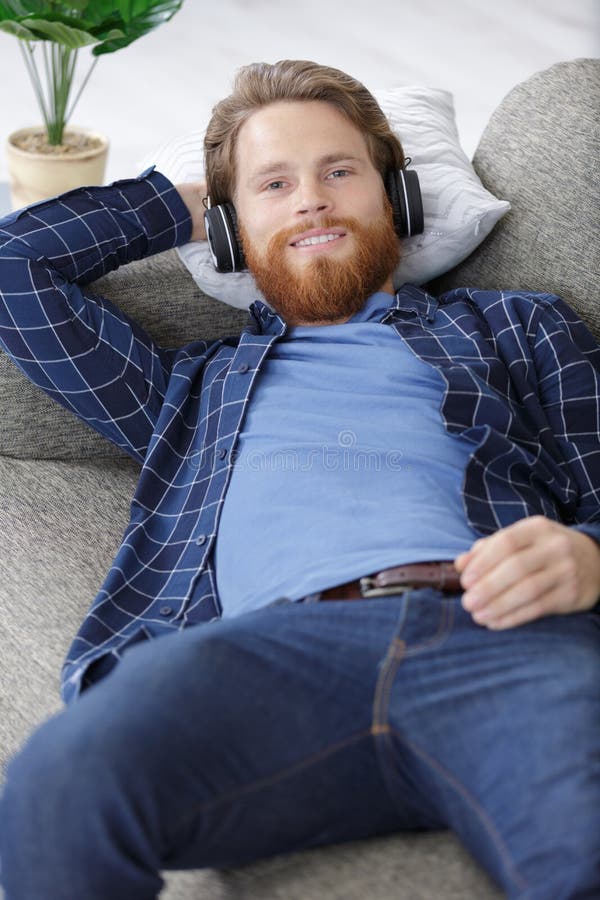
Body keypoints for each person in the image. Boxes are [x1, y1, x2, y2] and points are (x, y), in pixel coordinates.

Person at [0, 58, 598, 900]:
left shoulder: (521, 327)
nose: (311, 199)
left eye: (340, 171)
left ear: (397, 197)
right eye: (274, 185)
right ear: (228, 230)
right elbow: (12, 265)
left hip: (500, 636)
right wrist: (193, 196)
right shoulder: (184, 391)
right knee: (59, 782)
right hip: (264, 664)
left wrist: (589, 558)